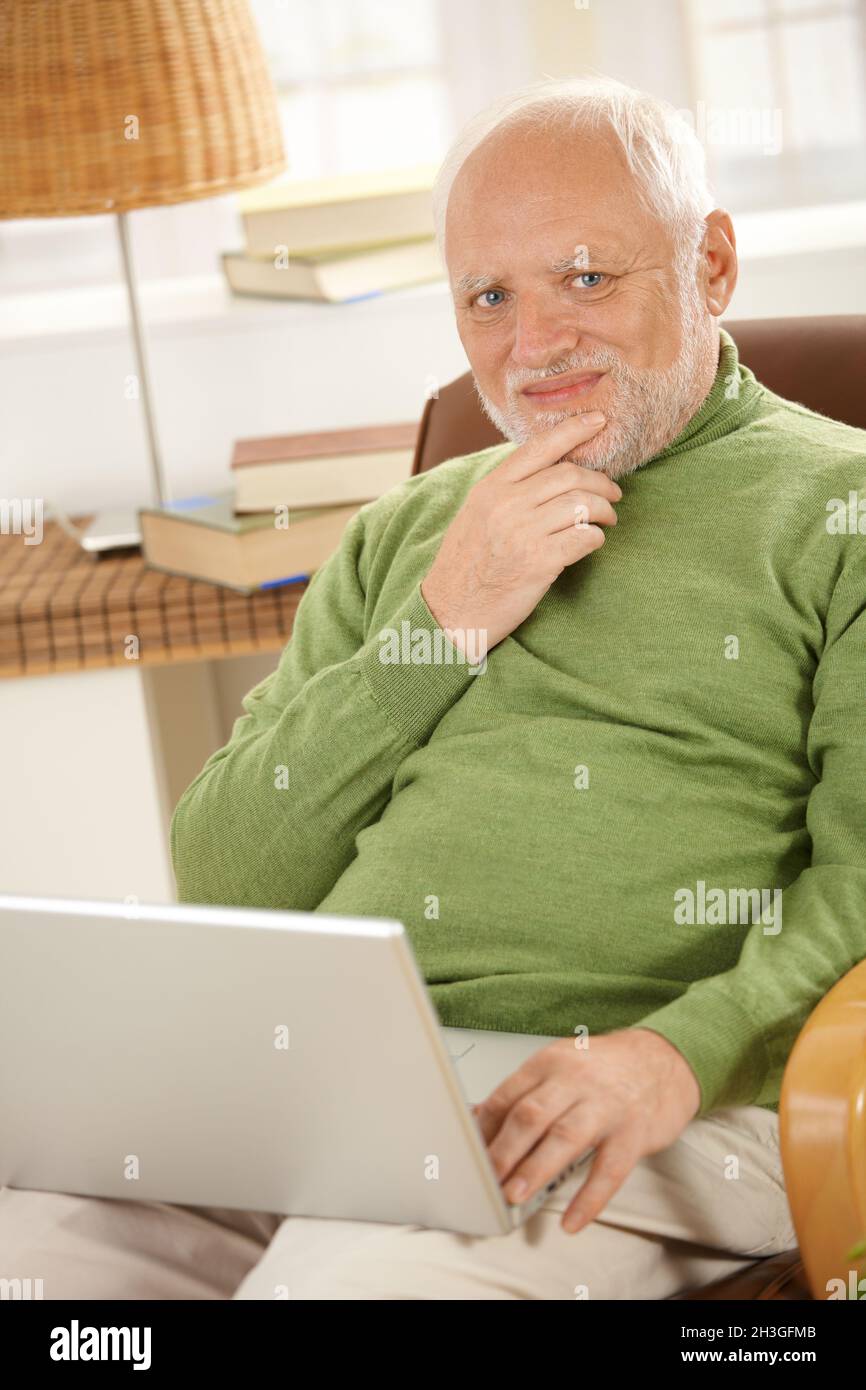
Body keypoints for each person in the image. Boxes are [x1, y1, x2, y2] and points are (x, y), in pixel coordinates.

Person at [4, 74, 863, 1300]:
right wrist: (443, 622)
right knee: (31, 1251)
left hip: (664, 1094)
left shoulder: (839, 511)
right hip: (344, 1083)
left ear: (710, 264)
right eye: (487, 297)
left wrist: (673, 1053)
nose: (534, 346)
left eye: (584, 277)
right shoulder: (411, 533)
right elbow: (229, 876)